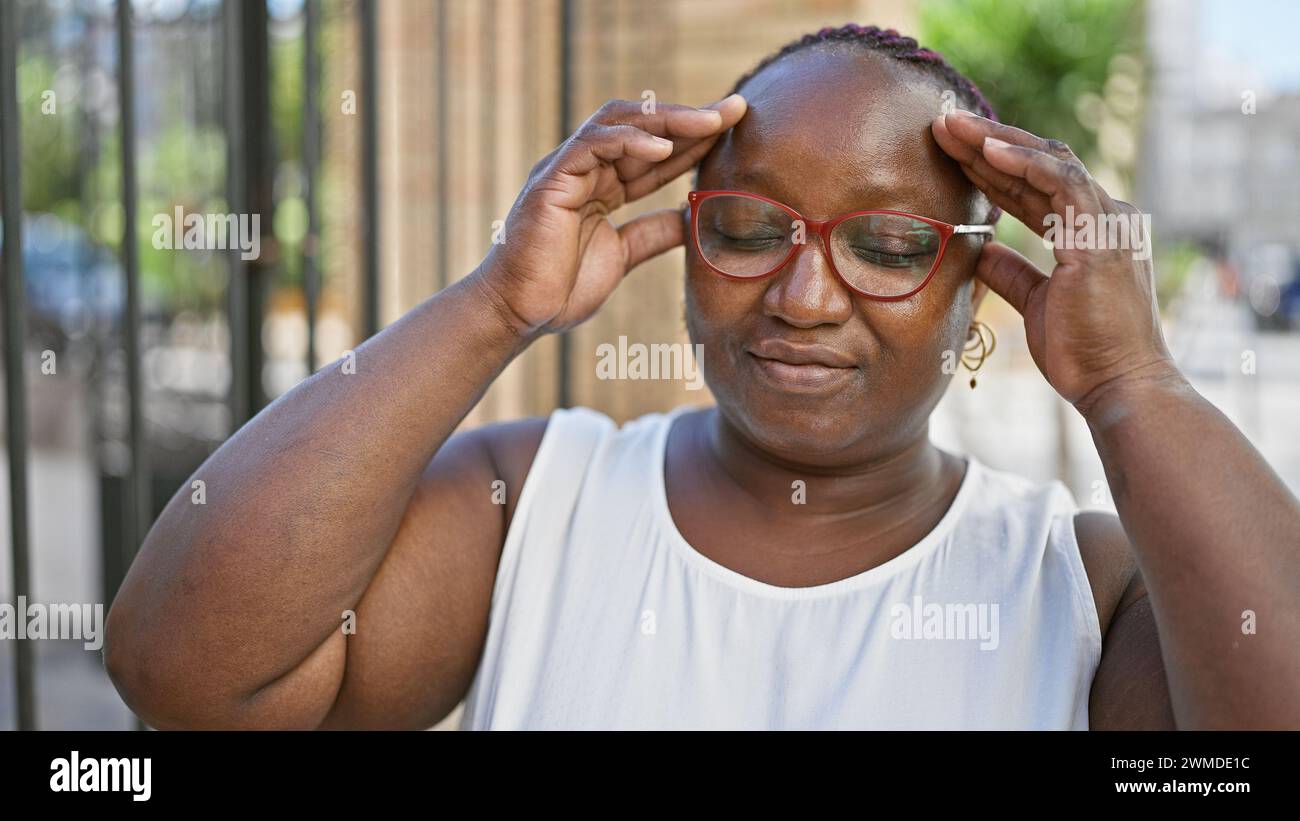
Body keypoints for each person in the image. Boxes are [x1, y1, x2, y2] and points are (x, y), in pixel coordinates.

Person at [103, 24, 1300, 730]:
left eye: (885, 247)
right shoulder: (532, 503)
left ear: (973, 296)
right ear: (686, 244)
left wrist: (1131, 382)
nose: (803, 294)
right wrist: (493, 306)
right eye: (747, 227)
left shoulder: (1082, 587)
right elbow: (186, 671)